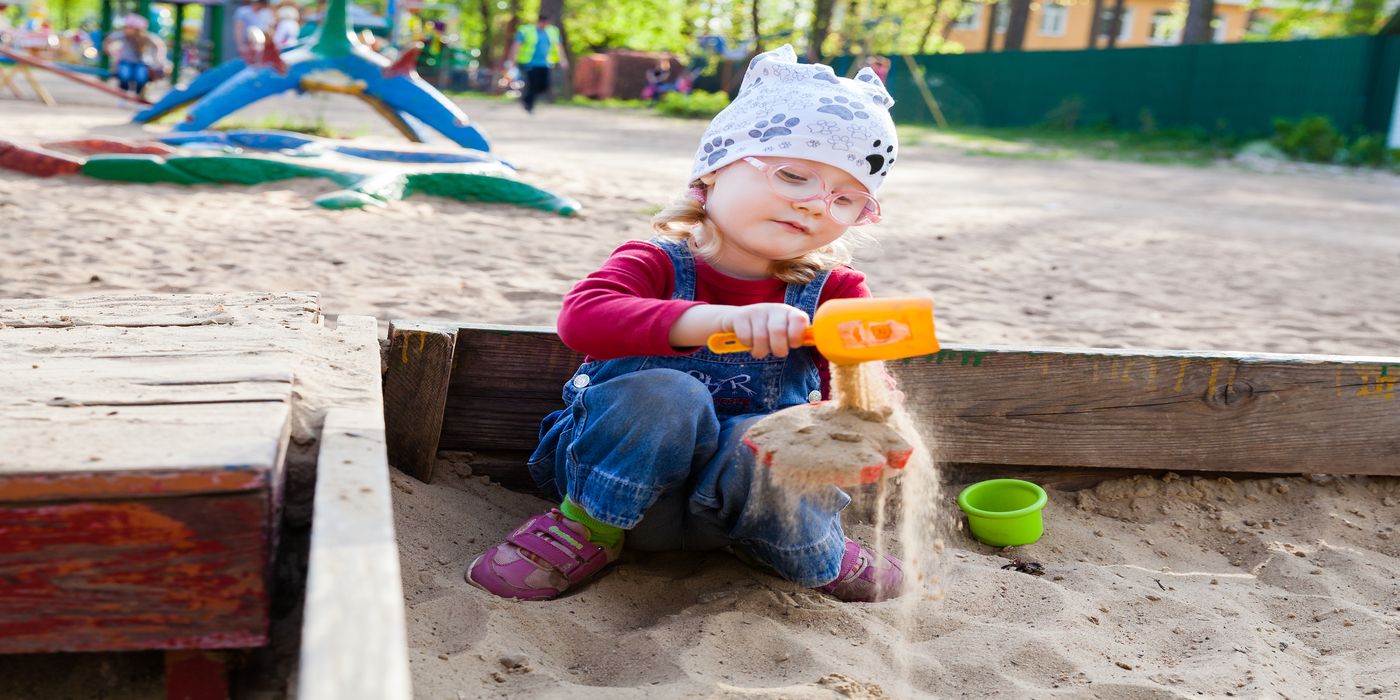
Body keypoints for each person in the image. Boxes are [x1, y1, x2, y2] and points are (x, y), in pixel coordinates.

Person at [466, 44, 905, 603]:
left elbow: (862, 378)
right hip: (612, 484)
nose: (817, 206)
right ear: (714, 170)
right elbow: (582, 318)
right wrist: (718, 321)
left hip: (735, 508)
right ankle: (586, 531)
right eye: (794, 175)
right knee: (666, 393)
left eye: (847, 200)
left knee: (776, 435)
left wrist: (865, 418)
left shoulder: (837, 291)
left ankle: (795, 543)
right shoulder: (656, 262)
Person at [505, 13, 566, 113]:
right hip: (529, 63)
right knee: (533, 84)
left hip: (545, 63)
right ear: (539, 22)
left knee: (544, 85)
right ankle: (529, 105)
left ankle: (526, 99)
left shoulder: (552, 31)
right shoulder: (526, 30)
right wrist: (511, 59)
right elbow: (516, 45)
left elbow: (558, 46)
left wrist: (563, 59)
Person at [103, 14, 167, 99]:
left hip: (141, 62)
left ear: (136, 29)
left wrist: (159, 58)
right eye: (126, 27)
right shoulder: (122, 35)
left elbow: (159, 45)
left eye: (129, 27)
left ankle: (138, 95)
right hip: (125, 61)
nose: (126, 29)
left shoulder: (145, 37)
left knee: (141, 78)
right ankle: (123, 95)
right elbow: (108, 40)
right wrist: (111, 52)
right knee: (124, 76)